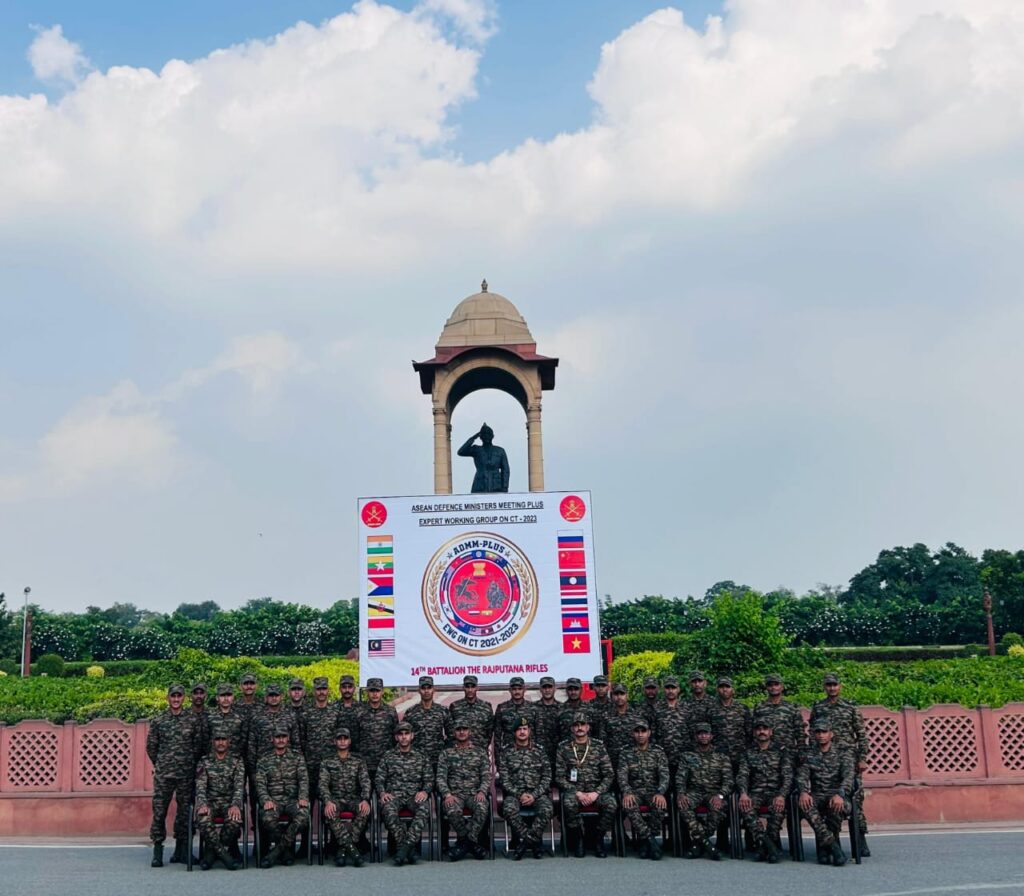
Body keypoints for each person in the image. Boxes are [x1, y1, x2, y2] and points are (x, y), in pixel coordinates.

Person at [810, 672, 871, 856]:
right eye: (828, 685)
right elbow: (813, 733)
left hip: (848, 759)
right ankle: (830, 841)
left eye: (835, 685)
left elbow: (861, 734)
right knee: (825, 799)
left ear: (840, 686)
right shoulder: (819, 707)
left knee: (855, 799)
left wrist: (862, 758)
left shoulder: (850, 707)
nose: (832, 688)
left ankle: (860, 839)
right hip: (824, 760)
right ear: (824, 686)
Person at [146, 683, 200, 867]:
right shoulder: (159, 720)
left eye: (179, 696)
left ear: (183, 698)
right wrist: (162, 763)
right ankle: (158, 850)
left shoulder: (192, 720)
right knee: (159, 811)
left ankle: (181, 850)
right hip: (164, 775)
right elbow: (151, 747)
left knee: (185, 813)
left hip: (186, 774)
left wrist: (189, 764)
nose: (176, 699)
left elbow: (198, 746)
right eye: (173, 696)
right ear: (168, 698)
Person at [554, 712, 616, 858]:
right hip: (575, 791)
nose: (579, 728)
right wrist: (577, 793)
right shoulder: (563, 747)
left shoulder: (598, 746)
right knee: (568, 803)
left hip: (596, 791)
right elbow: (559, 777)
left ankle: (598, 840)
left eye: (582, 724)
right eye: (576, 725)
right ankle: (578, 840)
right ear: (571, 729)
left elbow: (609, 774)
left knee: (611, 804)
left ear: (588, 727)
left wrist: (597, 792)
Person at [797, 718, 854, 866]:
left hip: (837, 795)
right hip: (817, 795)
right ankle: (833, 846)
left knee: (836, 807)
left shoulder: (843, 754)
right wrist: (803, 792)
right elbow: (802, 775)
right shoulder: (809, 755)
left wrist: (840, 794)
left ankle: (824, 848)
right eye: (818, 732)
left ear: (831, 734)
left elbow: (849, 777)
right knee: (805, 805)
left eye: (824, 732)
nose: (821, 735)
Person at [736, 714, 792, 863]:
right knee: (746, 808)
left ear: (771, 732)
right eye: (759, 729)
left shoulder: (781, 751)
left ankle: (764, 847)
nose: (762, 731)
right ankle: (769, 845)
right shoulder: (748, 752)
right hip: (755, 793)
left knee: (778, 809)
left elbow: (787, 776)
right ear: (754, 732)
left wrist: (782, 795)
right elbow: (742, 775)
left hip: (775, 793)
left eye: (765, 729)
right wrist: (743, 793)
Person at [376, 721, 433, 866]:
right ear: (396, 737)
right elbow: (379, 779)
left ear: (412, 736)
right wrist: (382, 793)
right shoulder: (388, 756)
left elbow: (429, 779)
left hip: (414, 796)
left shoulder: (421, 756)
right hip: (394, 796)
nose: (403, 737)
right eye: (400, 734)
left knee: (424, 808)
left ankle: (405, 847)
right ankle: (408, 848)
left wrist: (425, 791)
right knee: (387, 809)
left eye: (406, 734)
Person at [497, 717, 553, 860]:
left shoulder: (540, 750)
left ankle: (525, 843)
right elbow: (504, 778)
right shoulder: (506, 752)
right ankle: (534, 842)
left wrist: (534, 795)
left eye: (525, 729)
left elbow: (547, 777)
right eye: (519, 729)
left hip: (537, 794)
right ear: (514, 732)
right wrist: (519, 794)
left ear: (529, 731)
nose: (522, 732)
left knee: (547, 808)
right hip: (514, 795)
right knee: (508, 809)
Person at [255, 723, 310, 868]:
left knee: (303, 815)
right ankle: (286, 851)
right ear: (272, 739)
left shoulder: (297, 758)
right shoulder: (264, 759)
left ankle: (276, 852)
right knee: (267, 817)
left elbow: (303, 780)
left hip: (293, 801)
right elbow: (260, 783)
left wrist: (303, 797)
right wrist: (266, 800)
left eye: (283, 737)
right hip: (274, 801)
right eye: (277, 737)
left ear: (288, 738)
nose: (280, 740)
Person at [677, 722, 733, 860]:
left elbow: (729, 781)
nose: (703, 736)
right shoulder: (687, 756)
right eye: (700, 733)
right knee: (683, 805)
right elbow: (680, 777)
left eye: (706, 733)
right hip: (694, 792)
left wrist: (720, 796)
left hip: (713, 793)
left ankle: (697, 844)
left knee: (718, 808)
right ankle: (707, 844)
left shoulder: (721, 757)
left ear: (711, 736)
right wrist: (681, 793)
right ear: (696, 736)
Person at [436, 722, 492, 860]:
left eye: (464, 729)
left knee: (482, 808)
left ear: (470, 732)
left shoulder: (480, 752)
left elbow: (486, 776)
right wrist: (447, 794)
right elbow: (440, 778)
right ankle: (472, 845)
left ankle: (464, 844)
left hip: (474, 794)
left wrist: (482, 792)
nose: (461, 732)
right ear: (454, 733)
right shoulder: (446, 753)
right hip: (455, 795)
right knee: (451, 809)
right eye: (458, 729)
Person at [194, 726, 245, 871]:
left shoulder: (237, 761)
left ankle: (211, 854)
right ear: (212, 742)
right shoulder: (204, 761)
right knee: (202, 818)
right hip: (210, 803)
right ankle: (225, 855)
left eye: (223, 739)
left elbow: (239, 786)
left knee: (235, 820)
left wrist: (235, 804)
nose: (221, 742)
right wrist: (203, 804)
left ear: (229, 742)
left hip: (230, 803)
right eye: (217, 739)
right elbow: (201, 786)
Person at [319, 727, 371, 868]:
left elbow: (365, 782)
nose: (342, 741)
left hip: (354, 798)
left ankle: (343, 849)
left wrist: (365, 799)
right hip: (336, 799)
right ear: (334, 741)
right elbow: (323, 784)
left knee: (364, 810)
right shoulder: (327, 761)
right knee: (330, 812)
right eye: (339, 739)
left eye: (345, 738)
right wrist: (327, 801)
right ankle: (353, 850)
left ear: (350, 741)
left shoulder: (358, 761)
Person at [617, 720, 669, 860]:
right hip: (635, 792)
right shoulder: (626, 752)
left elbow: (664, 775)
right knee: (629, 804)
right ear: (632, 734)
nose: (640, 735)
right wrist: (627, 792)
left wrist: (660, 792)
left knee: (659, 806)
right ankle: (651, 841)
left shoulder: (658, 752)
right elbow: (622, 776)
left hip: (653, 791)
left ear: (649, 733)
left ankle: (644, 843)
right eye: (637, 731)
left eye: (643, 731)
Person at [404, 675, 452, 770]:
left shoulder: (442, 711)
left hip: (437, 760)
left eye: (429, 688)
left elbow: (451, 734)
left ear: (434, 689)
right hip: (416, 760)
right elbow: (403, 734)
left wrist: (444, 750)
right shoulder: (411, 712)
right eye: (423, 688)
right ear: (419, 690)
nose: (426, 691)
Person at [248, 684, 301, 770]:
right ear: (266, 697)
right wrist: (253, 769)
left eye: (276, 695)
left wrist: (297, 765)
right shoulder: (257, 717)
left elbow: (296, 743)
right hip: (263, 765)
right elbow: (252, 745)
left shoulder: (290, 716)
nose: (274, 698)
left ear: (282, 696)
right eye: (271, 695)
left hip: (287, 766)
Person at [753, 673, 807, 757]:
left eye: (776, 684)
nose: (773, 687)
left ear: (782, 686)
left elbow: (799, 731)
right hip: (766, 754)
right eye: (770, 685)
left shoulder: (791, 707)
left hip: (788, 752)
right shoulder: (759, 707)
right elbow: (754, 731)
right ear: (766, 688)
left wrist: (801, 750)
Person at [302, 676, 338, 798]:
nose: (321, 692)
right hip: (311, 762)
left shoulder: (335, 712)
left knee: (330, 798)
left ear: (328, 690)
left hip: (331, 761)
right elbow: (302, 738)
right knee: (309, 798)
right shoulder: (306, 712)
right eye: (318, 689)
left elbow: (340, 737)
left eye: (324, 689)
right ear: (314, 691)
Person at [358, 677, 399, 782]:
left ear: (382, 691)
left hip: (385, 762)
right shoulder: (359, 712)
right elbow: (354, 737)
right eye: (372, 691)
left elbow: (396, 737)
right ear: (367, 692)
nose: (375, 694)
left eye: (377, 690)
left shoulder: (390, 711)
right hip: (365, 763)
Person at [709, 676, 752, 770]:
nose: (724, 689)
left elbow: (750, 732)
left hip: (740, 756)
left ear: (732, 689)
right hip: (718, 756)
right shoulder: (711, 710)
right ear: (717, 689)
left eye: (727, 687)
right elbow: (708, 733)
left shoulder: (742, 708)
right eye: (721, 687)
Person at [601, 683, 645, 768]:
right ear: (612, 696)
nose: (619, 697)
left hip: (633, 760)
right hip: (613, 760)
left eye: (622, 694)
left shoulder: (637, 715)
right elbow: (603, 740)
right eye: (616, 694)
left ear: (627, 695)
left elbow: (643, 739)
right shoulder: (606, 716)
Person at [653, 675, 688, 782]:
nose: (670, 691)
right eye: (668, 688)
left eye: (673, 688)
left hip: (682, 756)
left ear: (678, 689)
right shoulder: (657, 708)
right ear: (664, 689)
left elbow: (691, 732)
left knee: (681, 789)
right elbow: (653, 732)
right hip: (663, 757)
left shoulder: (686, 708)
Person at [457, 423, 509, 493]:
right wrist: (474, 437)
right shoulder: (476, 449)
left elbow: (505, 470)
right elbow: (461, 452)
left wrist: (505, 487)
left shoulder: (500, 451)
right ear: (481, 437)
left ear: (492, 436)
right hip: (479, 485)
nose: (486, 436)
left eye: (488, 434)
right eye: (484, 434)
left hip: (496, 486)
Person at [449, 674, 494, 750]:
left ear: (477, 688)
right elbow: (450, 730)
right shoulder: (455, 707)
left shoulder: (486, 707)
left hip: (480, 751)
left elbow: (489, 731)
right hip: (460, 752)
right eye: (467, 687)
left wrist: (483, 745)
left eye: (472, 687)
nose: (470, 690)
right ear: (463, 688)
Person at [494, 676, 539, 752]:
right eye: (514, 689)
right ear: (510, 690)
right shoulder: (502, 708)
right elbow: (497, 735)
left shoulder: (533, 708)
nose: (517, 692)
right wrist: (498, 756)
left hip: (530, 754)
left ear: (524, 690)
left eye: (520, 689)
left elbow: (538, 733)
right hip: (508, 753)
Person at [208, 682, 247, 760]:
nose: (226, 699)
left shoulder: (241, 717)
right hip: (213, 762)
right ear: (217, 698)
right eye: (222, 695)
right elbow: (205, 741)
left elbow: (244, 741)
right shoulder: (209, 717)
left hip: (234, 761)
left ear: (233, 697)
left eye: (228, 695)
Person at [533, 675, 563, 765]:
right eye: (544, 687)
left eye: (549, 687)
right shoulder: (533, 708)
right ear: (540, 689)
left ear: (555, 688)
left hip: (559, 754)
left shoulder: (562, 708)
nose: (547, 690)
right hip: (539, 754)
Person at [334, 674, 363, 751]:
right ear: (340, 689)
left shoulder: (362, 707)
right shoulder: (332, 707)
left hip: (358, 752)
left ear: (354, 688)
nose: (347, 690)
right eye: (344, 687)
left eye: (350, 687)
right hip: (338, 752)